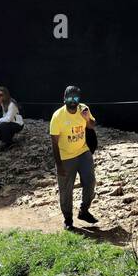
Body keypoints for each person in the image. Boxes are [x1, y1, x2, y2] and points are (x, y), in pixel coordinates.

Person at [49, 85, 98, 230]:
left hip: (83, 151)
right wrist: (59, 165)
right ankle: (68, 219)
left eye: (75, 98)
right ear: (64, 99)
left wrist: (86, 118)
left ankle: (84, 211)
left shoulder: (83, 109)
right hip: (65, 156)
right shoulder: (58, 116)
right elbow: (54, 142)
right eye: (69, 98)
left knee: (90, 182)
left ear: (79, 99)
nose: (72, 101)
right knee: (66, 189)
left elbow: (92, 125)